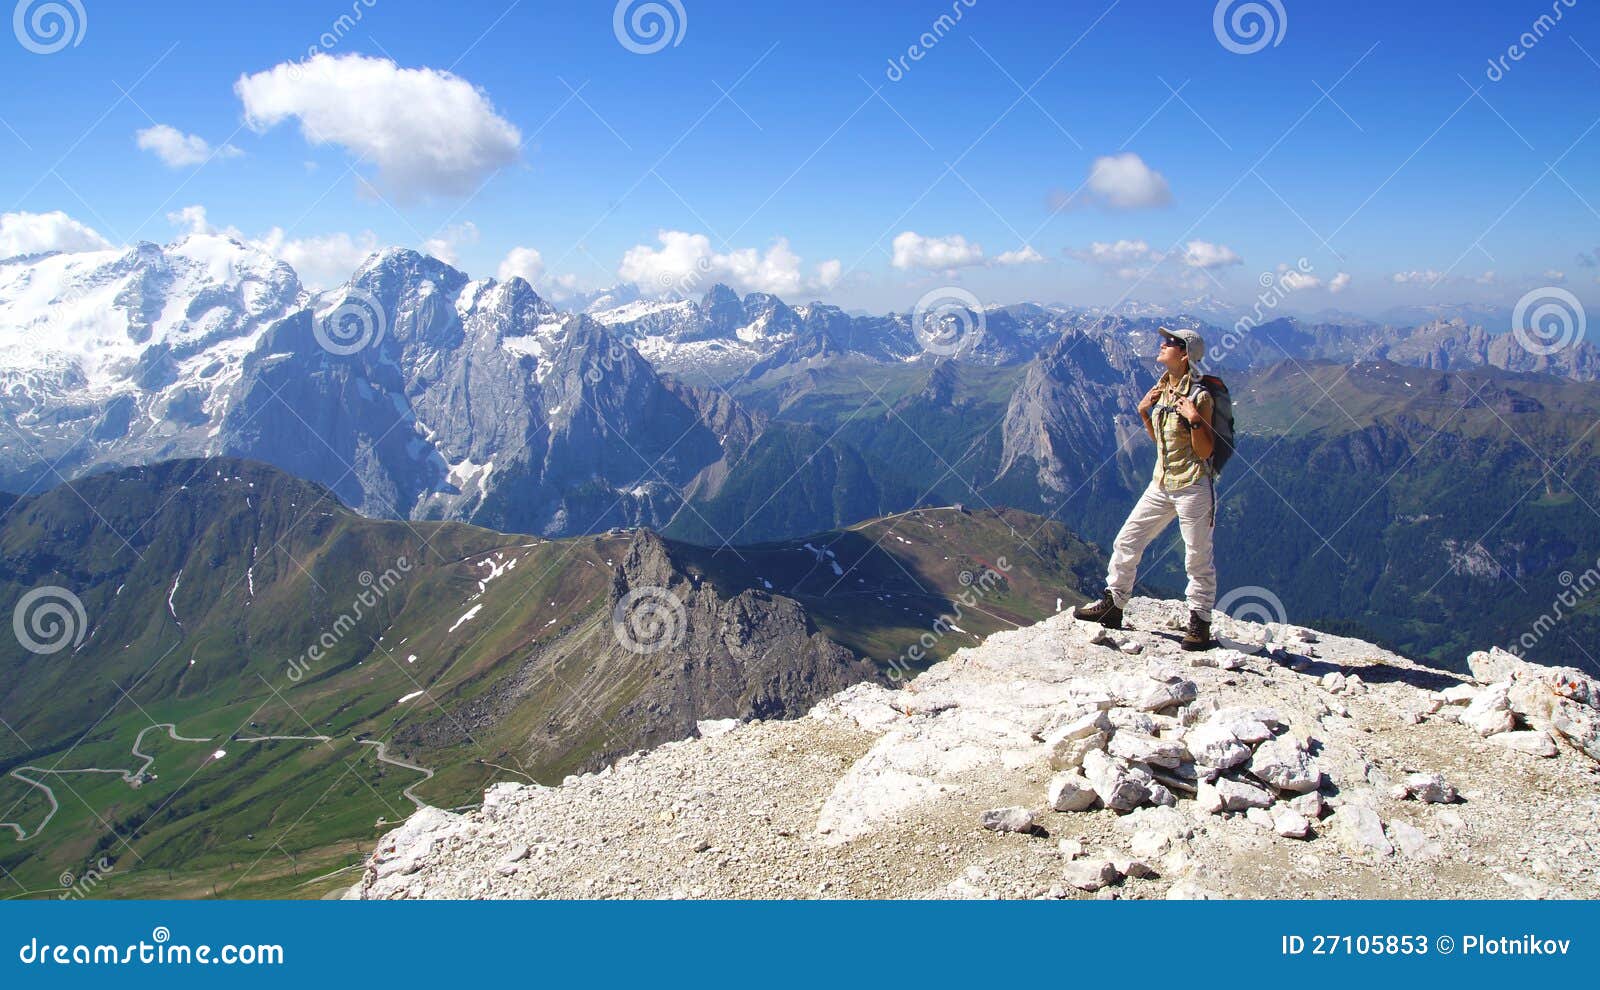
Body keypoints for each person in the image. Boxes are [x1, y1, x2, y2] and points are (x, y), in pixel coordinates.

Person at [1074, 326, 1217, 650]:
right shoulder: (1162, 389)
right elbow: (1162, 443)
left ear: (1185, 354)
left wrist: (1195, 418)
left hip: (1193, 485)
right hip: (1161, 483)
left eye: (1171, 342)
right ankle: (1113, 604)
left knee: (1197, 556)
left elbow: (1205, 451)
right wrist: (1143, 412)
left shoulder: (1200, 396)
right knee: (1127, 539)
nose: (1163, 344)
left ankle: (1200, 622)